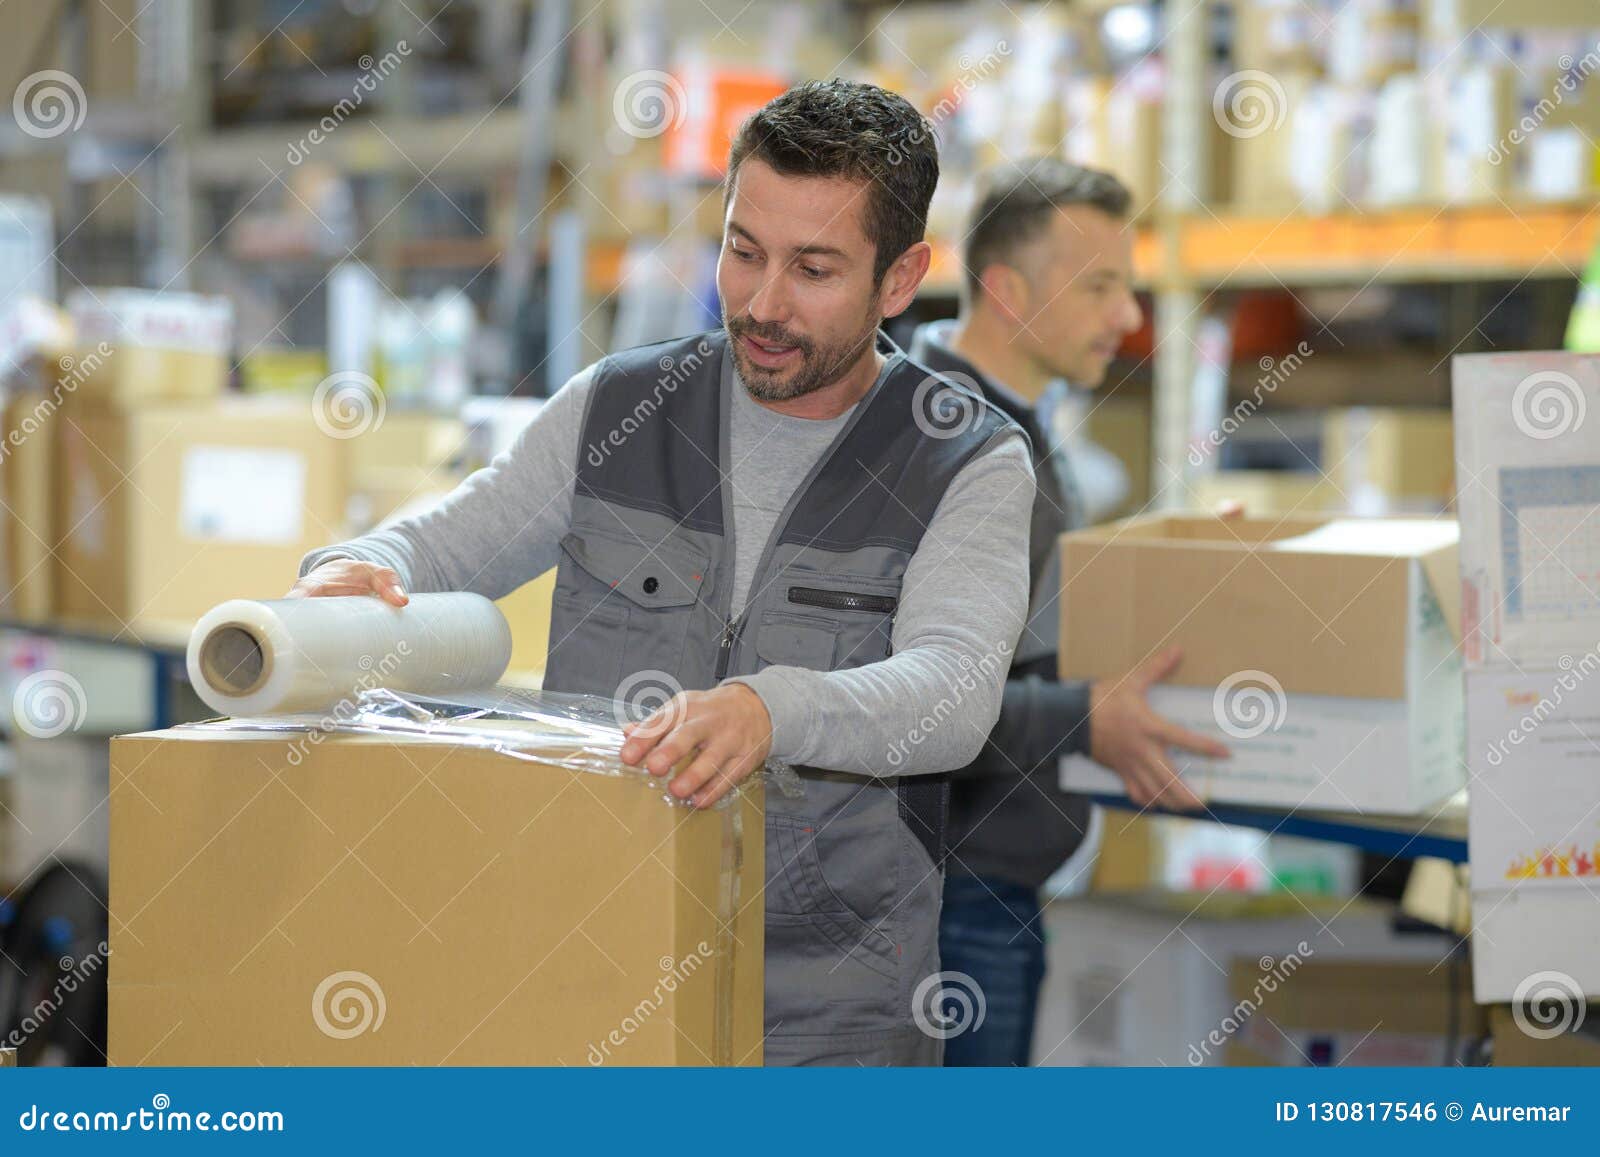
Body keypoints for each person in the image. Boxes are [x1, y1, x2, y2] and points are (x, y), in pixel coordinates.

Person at [288, 81, 1036, 1066]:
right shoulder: (618, 409)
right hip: (596, 971)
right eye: (742, 249)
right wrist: (362, 564)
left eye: (813, 269)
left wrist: (771, 709)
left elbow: (951, 694)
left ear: (900, 278)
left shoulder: (961, 459)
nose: (762, 304)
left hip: (828, 1017)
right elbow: (448, 542)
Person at [909, 158, 1230, 1067]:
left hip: (994, 890)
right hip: (948, 902)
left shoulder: (1012, 427)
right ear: (1008, 292)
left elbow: (1027, 642)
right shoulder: (937, 441)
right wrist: (1086, 719)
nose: (1128, 317)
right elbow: (908, 698)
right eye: (1100, 286)